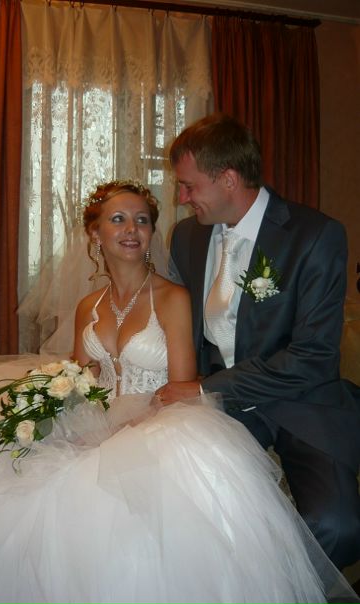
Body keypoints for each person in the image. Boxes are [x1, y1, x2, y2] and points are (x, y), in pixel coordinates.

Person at [0, 180, 358, 604]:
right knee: (3, 490)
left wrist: (117, 432)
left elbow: (180, 389)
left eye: (142, 220)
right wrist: (47, 412)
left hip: (162, 422)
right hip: (97, 419)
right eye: (118, 219)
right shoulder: (88, 306)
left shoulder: (173, 298)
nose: (132, 230)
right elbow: (80, 380)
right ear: (95, 233)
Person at [156, 113, 360, 571]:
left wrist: (204, 389)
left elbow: (313, 358)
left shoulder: (315, 236)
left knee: (337, 524)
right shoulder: (187, 236)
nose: (181, 198)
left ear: (228, 180)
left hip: (301, 400)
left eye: (188, 186)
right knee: (179, 509)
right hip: (221, 407)